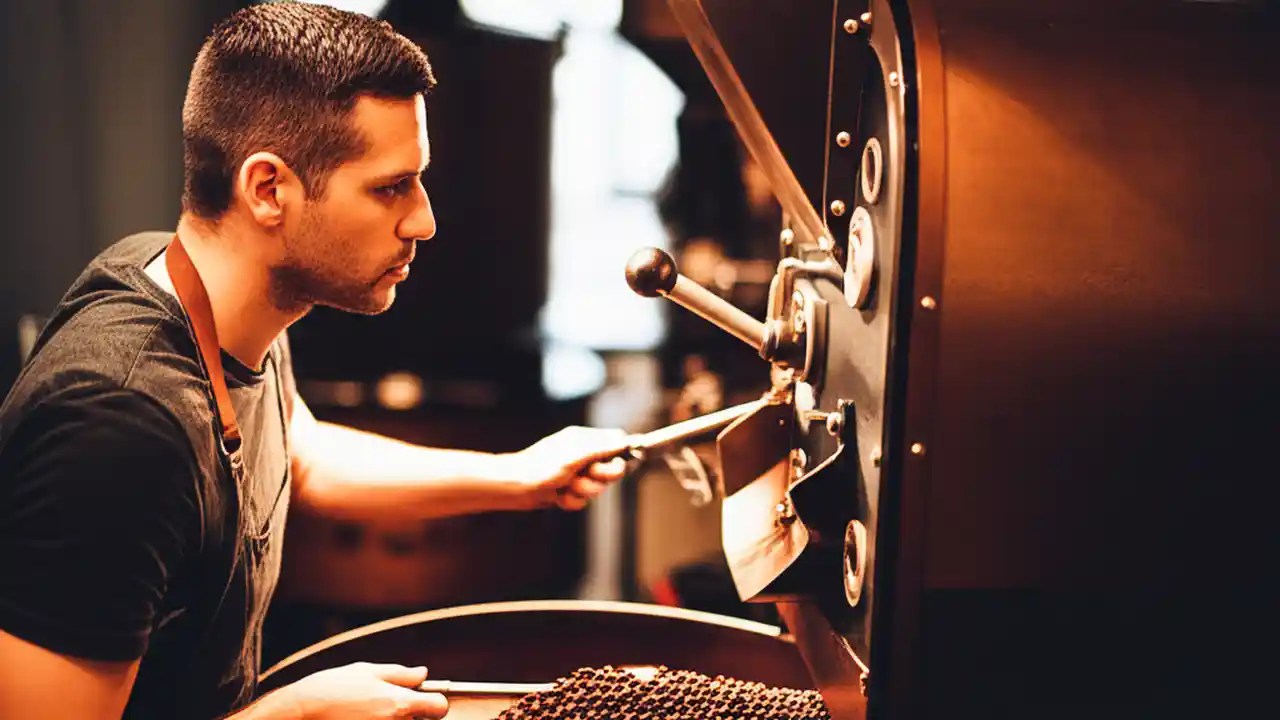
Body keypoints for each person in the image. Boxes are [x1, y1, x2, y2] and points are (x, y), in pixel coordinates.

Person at [0, 3, 631, 718]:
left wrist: (519, 477)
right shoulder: (117, 427)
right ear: (268, 190)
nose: (424, 219)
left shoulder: (213, 291)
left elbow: (298, 453)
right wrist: (296, 713)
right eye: (391, 186)